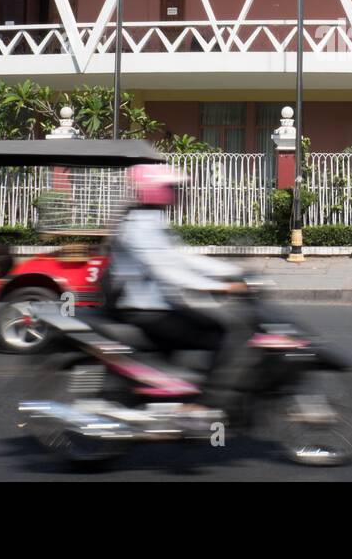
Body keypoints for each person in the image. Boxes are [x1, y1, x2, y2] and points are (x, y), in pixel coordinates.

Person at [102, 164, 255, 426]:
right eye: (172, 189)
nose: (177, 194)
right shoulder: (139, 226)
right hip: (143, 310)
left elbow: (181, 258)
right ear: (156, 191)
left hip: (156, 306)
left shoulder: (150, 219)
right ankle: (204, 405)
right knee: (223, 332)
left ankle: (173, 397)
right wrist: (220, 287)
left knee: (200, 329)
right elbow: (166, 270)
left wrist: (233, 271)